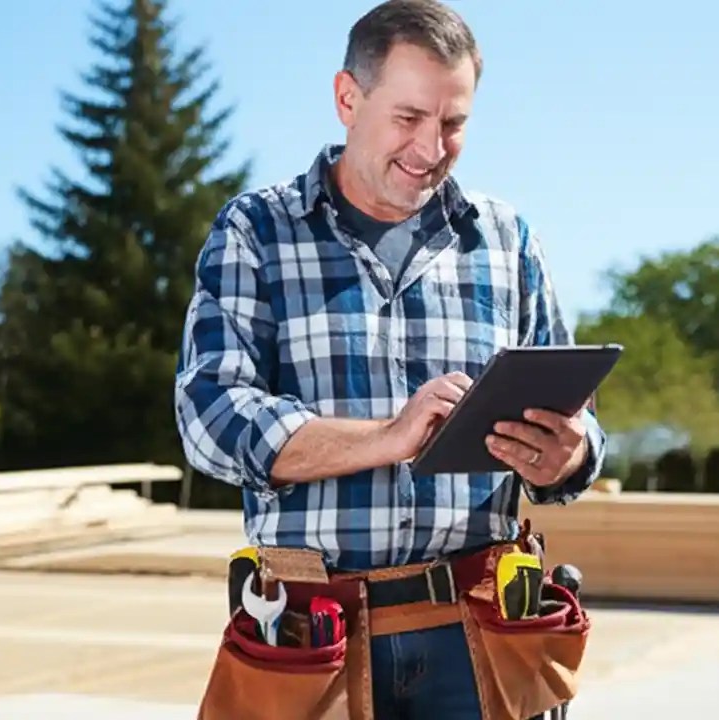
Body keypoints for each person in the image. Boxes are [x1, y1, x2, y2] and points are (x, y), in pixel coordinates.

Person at [174, 0, 605, 717]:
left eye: (453, 123)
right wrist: (387, 438)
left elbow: (582, 424)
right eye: (408, 118)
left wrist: (567, 454)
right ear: (348, 99)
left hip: (482, 634)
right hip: (313, 638)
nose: (431, 148)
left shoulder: (507, 241)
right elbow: (209, 418)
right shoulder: (257, 231)